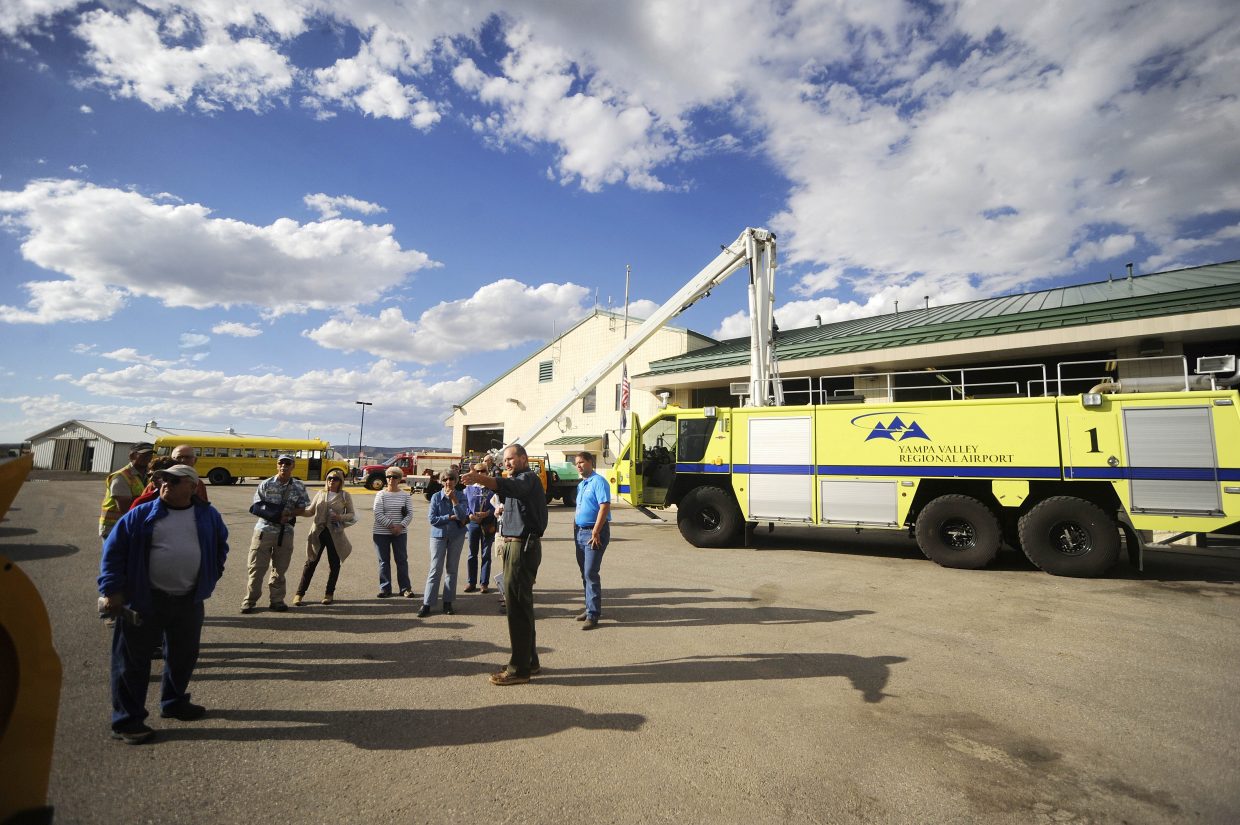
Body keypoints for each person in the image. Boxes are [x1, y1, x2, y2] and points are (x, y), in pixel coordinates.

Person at [98, 464, 229, 744]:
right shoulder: (141, 514)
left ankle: (174, 702)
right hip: (145, 599)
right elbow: (114, 553)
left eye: (174, 479)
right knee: (132, 663)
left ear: (193, 487)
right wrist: (111, 590)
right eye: (162, 479)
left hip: (189, 600)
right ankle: (127, 721)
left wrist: (211, 574)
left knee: (183, 656)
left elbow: (221, 545)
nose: (165, 483)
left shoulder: (207, 515)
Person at [462, 444, 547, 686]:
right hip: (514, 545)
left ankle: (519, 670)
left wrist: (483, 478)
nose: (507, 463)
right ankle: (529, 661)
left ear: (523, 459)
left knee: (518, 608)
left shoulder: (527, 478)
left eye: (511, 459)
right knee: (521, 607)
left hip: (522, 547)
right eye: (505, 460)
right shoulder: (516, 480)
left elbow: (512, 487)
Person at [241, 454, 311, 614]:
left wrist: (289, 514)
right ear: (277, 465)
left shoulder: (299, 486)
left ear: (293, 466)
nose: (284, 466)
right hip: (264, 532)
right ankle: (249, 601)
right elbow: (257, 506)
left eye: (288, 463)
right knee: (256, 568)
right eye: (281, 463)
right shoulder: (266, 484)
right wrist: (275, 515)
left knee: (280, 570)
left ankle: (277, 600)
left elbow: (302, 508)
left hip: (285, 533)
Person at [293, 469, 357, 606]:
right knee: (310, 563)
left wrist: (340, 517)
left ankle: (329, 594)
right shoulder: (321, 493)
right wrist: (297, 512)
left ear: (340, 481)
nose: (331, 481)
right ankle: (299, 593)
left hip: (335, 534)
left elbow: (351, 514)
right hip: (318, 532)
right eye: (329, 478)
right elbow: (310, 511)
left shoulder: (345, 496)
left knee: (334, 564)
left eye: (335, 479)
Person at [418, 470, 469, 617]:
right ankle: (427, 603)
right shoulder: (435, 497)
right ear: (441, 481)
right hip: (438, 536)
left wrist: (454, 500)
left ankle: (448, 602)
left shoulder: (461, 496)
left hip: (456, 536)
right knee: (435, 569)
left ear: (456, 480)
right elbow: (432, 520)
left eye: (451, 478)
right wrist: (449, 517)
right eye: (445, 479)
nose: (448, 481)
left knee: (452, 570)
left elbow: (462, 517)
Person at [572, 451, 612, 629]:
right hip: (580, 533)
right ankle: (589, 608)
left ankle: (593, 615)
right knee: (584, 573)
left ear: (590, 462)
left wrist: (596, 531)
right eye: (576, 463)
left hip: (594, 533)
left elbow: (604, 507)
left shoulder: (598, 482)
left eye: (581, 462)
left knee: (590, 573)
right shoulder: (582, 484)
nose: (578, 466)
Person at [373, 466, 414, 598]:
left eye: (394, 477)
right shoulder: (380, 494)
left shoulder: (405, 496)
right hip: (381, 533)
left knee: (401, 560)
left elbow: (409, 514)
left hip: (400, 533)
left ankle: (405, 588)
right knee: (384, 561)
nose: (391, 479)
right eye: (389, 476)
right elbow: (377, 513)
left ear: (399, 479)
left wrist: (400, 527)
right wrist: (391, 526)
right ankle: (385, 588)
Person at [99, 442, 154, 539]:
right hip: (114, 527)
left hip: (132, 524)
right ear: (132, 456)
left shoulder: (149, 476)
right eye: (143, 454)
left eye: (150, 454)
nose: (148, 457)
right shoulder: (120, 476)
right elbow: (125, 507)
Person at [133, 445, 210, 508]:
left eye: (187, 457)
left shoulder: (199, 484)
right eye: (179, 457)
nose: (183, 460)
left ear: (195, 460)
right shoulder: (154, 484)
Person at [464, 462, 497, 594]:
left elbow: (497, 505)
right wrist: (470, 515)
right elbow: (464, 505)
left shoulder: (492, 490)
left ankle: (484, 583)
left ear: (487, 473)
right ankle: (471, 582)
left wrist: (488, 513)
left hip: (487, 523)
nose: (480, 474)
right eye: (477, 471)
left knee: (486, 554)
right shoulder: (468, 489)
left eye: (482, 471)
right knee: (472, 554)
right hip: (473, 524)